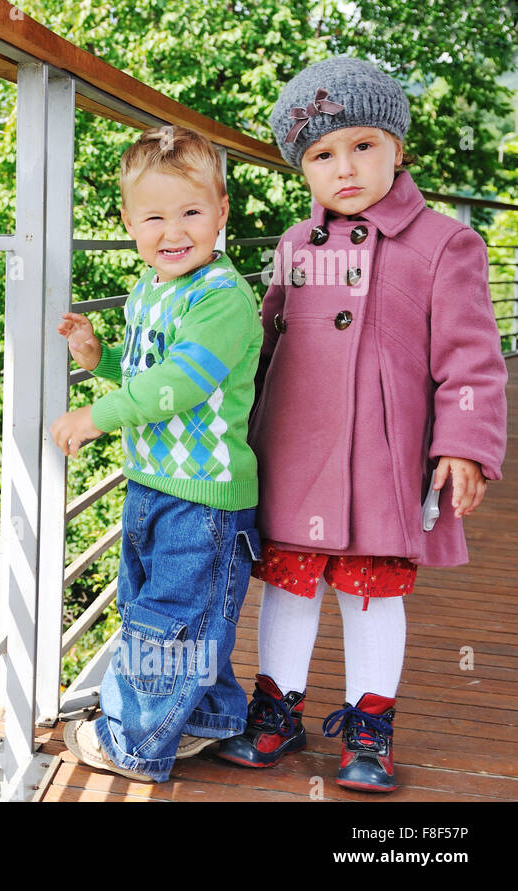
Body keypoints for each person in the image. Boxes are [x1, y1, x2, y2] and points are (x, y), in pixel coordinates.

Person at [216, 57, 508, 792]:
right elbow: (266, 341)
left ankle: (370, 725)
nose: (343, 168)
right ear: (302, 168)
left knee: (372, 589)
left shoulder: (445, 244)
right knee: (288, 582)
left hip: (383, 457)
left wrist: (465, 445)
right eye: (321, 155)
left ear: (397, 147)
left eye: (362, 146)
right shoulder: (293, 245)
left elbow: (472, 358)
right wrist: (233, 433)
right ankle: (275, 709)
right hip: (294, 451)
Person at [50, 124, 263, 784]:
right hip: (153, 486)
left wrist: (95, 415)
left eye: (192, 213)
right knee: (167, 611)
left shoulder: (223, 299)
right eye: (154, 217)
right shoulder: (152, 286)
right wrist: (101, 359)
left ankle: (134, 741)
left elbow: (181, 384)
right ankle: (211, 717)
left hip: (203, 500)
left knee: (171, 623)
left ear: (222, 212)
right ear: (128, 222)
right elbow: (149, 370)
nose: (174, 232)